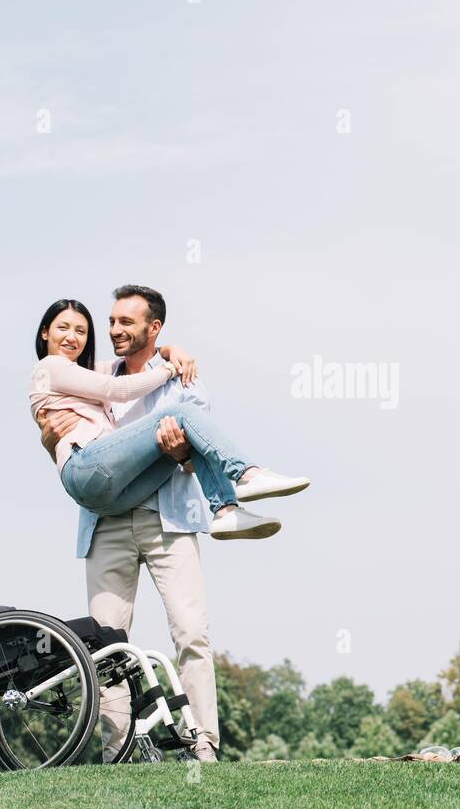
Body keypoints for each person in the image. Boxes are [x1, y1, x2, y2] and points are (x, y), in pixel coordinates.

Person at [35, 286, 305, 762]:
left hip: (169, 519)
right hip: (106, 522)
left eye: (126, 323)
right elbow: (72, 434)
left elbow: (193, 450)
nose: (114, 329)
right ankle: (115, 752)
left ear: (153, 327)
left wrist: (180, 446)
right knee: (105, 641)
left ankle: (203, 741)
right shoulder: (95, 376)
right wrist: (46, 438)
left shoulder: (183, 382)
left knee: (191, 632)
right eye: (112, 321)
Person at [30, 297, 309, 538]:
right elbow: (118, 389)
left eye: (81, 331)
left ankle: (226, 510)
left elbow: (132, 360)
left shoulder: (85, 374)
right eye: (63, 328)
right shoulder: (50, 367)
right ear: (45, 333)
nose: (72, 337)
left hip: (109, 498)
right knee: (181, 412)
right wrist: (169, 370)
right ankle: (246, 473)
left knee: (182, 430)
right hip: (85, 466)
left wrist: (169, 350)